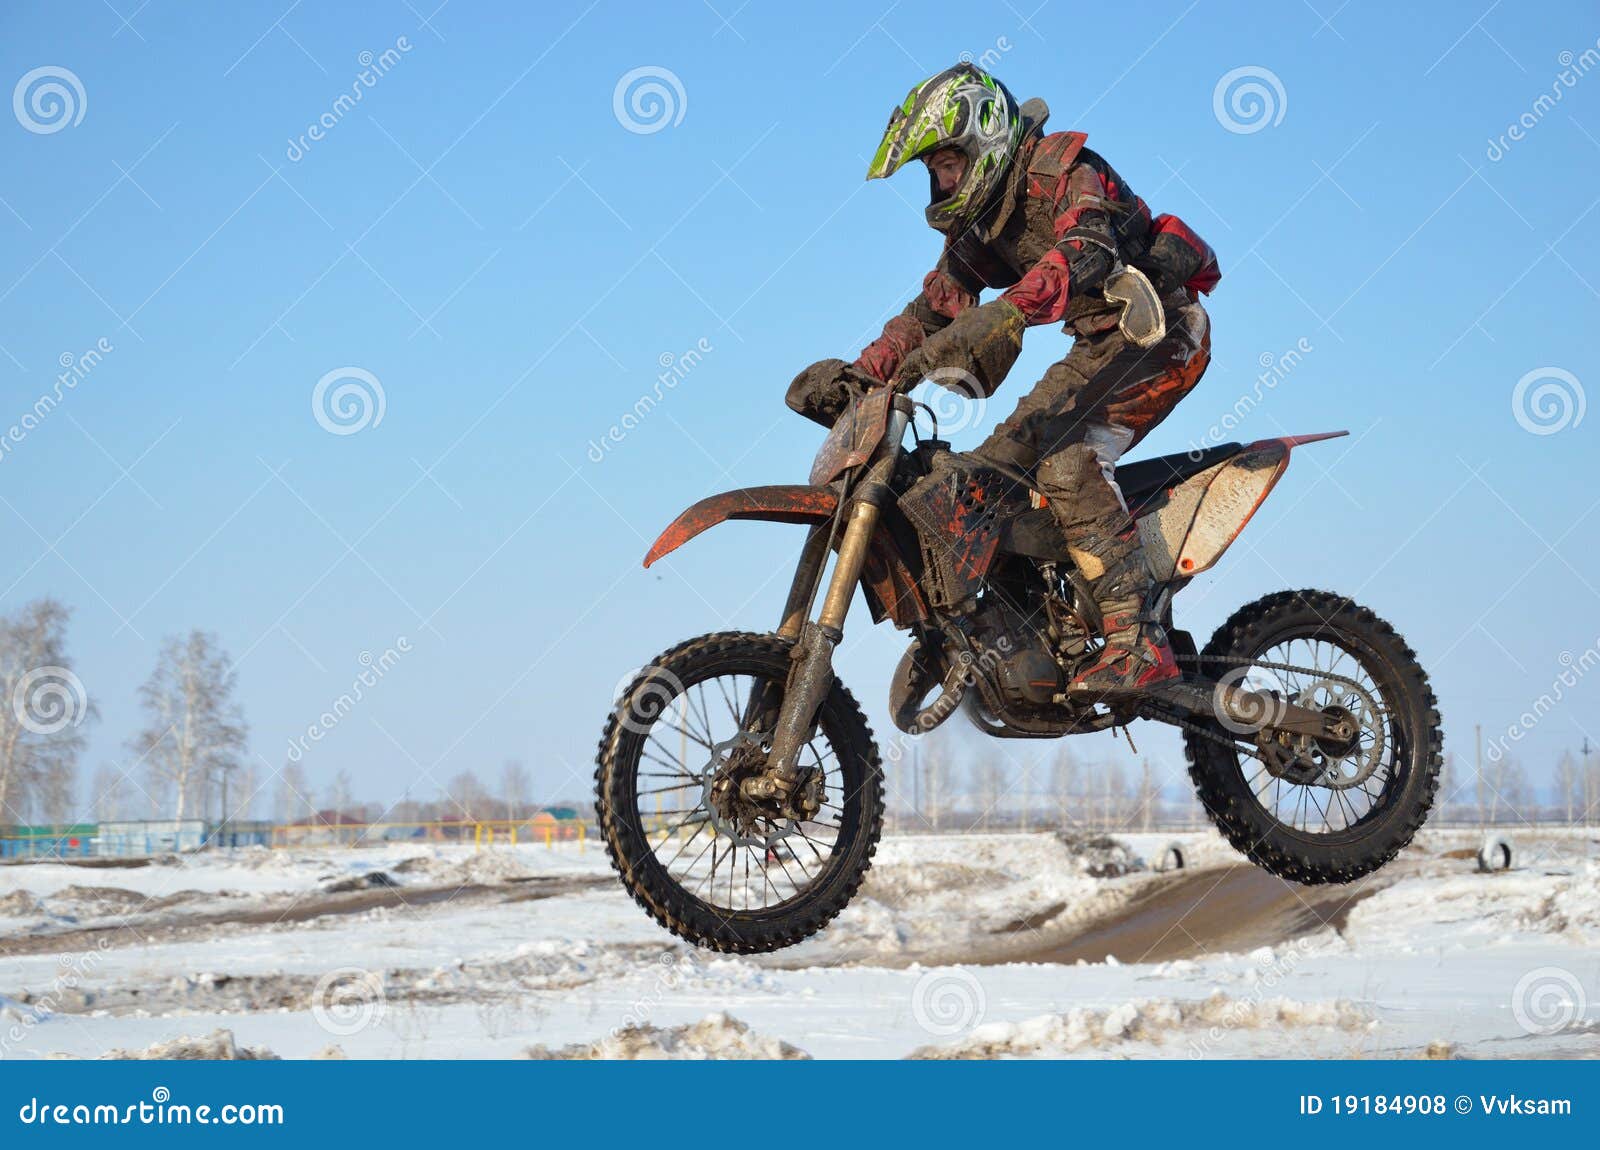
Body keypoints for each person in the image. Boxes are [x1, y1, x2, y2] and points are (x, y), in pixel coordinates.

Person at [788, 63, 1220, 694]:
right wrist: (865, 371)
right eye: (933, 172)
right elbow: (931, 309)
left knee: (1067, 464)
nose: (940, 182)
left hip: (1161, 331)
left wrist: (1012, 309)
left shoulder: (1065, 172)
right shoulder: (984, 221)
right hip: (1096, 344)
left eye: (946, 165)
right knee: (986, 480)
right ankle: (1027, 627)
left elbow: (1087, 249)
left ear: (983, 138)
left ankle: (1138, 639)